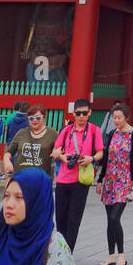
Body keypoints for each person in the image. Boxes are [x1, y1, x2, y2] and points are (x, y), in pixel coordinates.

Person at [51, 98, 104, 252]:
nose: (81, 116)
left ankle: (68, 253)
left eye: (84, 113)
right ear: (73, 113)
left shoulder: (95, 130)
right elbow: (55, 150)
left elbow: (100, 152)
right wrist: (62, 157)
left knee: (74, 219)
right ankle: (60, 251)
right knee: (60, 219)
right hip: (62, 179)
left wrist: (91, 158)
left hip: (81, 180)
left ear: (89, 113)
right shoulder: (66, 131)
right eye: (78, 113)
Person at [96, 104, 133, 265]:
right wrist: (100, 179)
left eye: (119, 118)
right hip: (110, 180)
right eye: (114, 117)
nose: (116, 121)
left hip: (125, 181)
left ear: (127, 118)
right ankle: (110, 255)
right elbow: (106, 158)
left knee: (115, 217)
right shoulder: (112, 134)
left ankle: (121, 255)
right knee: (110, 219)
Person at [4, 104, 58, 178]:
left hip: (42, 179)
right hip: (20, 178)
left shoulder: (52, 133)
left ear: (44, 118)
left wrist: (57, 151)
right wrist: (7, 160)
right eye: (31, 118)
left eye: (38, 118)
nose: (34, 120)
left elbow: (59, 149)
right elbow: (9, 151)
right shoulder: (21, 133)